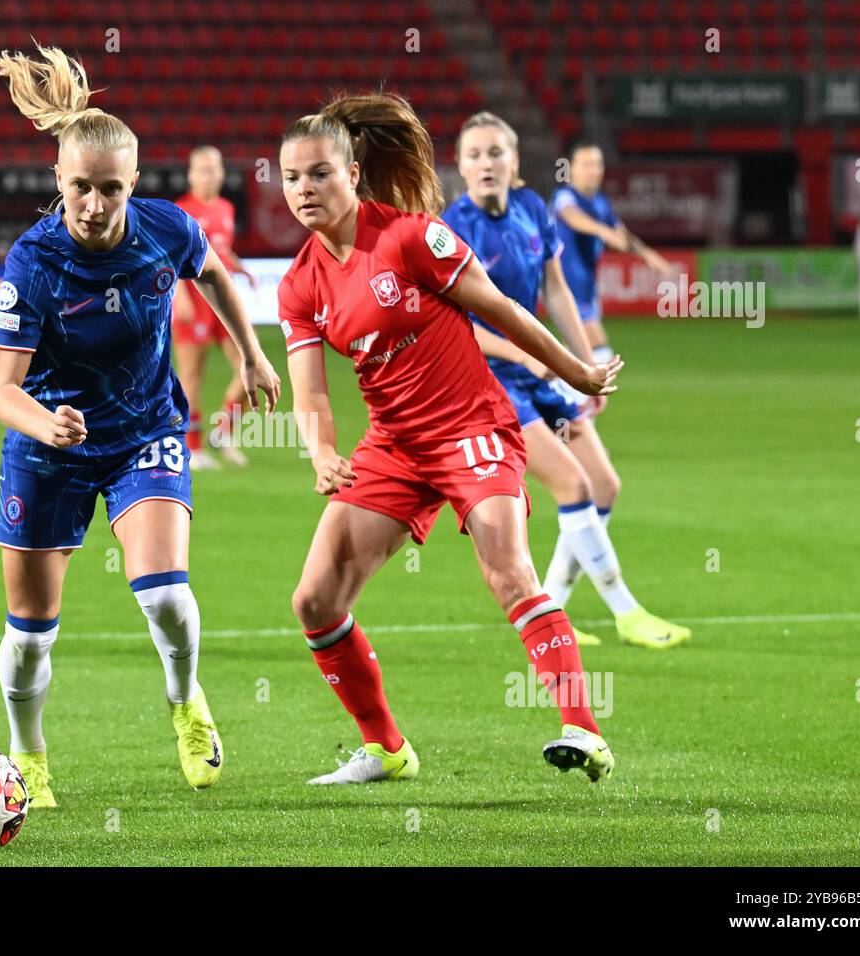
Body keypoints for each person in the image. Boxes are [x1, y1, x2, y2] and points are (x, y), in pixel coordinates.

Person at [277, 93, 621, 786]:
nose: (304, 189)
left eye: (319, 173)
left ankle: (583, 731)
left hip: (473, 427)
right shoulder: (299, 283)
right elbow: (310, 391)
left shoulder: (410, 237)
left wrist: (576, 369)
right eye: (290, 177)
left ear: (353, 172)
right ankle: (386, 749)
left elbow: (502, 309)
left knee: (505, 563)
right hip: (395, 446)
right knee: (314, 600)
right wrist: (321, 451)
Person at [0, 43, 281, 806]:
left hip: (144, 433)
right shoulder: (32, 264)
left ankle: (186, 705)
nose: (92, 204)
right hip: (49, 450)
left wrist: (249, 355)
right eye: (79, 187)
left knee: (166, 598)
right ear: (58, 179)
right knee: (30, 635)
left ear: (134, 185)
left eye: (109, 190)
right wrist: (47, 426)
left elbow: (210, 271)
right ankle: (30, 758)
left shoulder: (166, 229)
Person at [443, 112, 691, 650]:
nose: (486, 163)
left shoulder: (532, 209)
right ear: (460, 166)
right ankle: (627, 612)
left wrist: (586, 369)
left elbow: (556, 290)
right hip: (488, 385)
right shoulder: (451, 229)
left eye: (495, 153)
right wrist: (529, 356)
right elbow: (455, 326)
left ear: (514, 161)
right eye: (474, 155)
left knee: (604, 485)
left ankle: (549, 603)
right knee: (572, 485)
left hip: (537, 370)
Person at [553, 141, 674, 365]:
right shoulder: (565, 196)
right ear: (571, 169)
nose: (594, 170)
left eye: (597, 164)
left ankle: (554, 392)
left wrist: (647, 254)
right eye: (586, 164)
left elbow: (620, 233)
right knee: (598, 350)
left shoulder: (600, 203)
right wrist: (602, 230)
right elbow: (571, 216)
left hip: (586, 288)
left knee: (576, 355)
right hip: (567, 287)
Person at [173, 145, 256, 469]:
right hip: (194, 299)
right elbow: (174, 257)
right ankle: (192, 448)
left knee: (249, 365)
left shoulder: (225, 208)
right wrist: (179, 295)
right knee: (192, 376)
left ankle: (223, 432)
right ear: (191, 174)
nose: (210, 175)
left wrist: (241, 267)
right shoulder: (182, 210)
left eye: (215, 168)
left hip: (223, 299)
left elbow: (219, 250)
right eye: (203, 169)